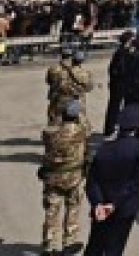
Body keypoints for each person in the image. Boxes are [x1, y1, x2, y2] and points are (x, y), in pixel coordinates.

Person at [85, 104, 139, 256]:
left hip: (101, 209)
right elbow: (134, 184)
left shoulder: (103, 149)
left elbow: (92, 181)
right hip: (123, 208)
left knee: (95, 245)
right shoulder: (138, 148)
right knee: (115, 248)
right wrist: (113, 205)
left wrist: (98, 203)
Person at [41, 100, 89, 256]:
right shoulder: (80, 131)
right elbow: (87, 126)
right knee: (72, 209)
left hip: (53, 177)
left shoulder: (50, 133)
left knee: (51, 211)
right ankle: (69, 242)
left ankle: (48, 245)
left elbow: (52, 126)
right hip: (73, 177)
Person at [103, 32, 133, 136]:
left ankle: (110, 126)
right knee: (114, 106)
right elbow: (120, 69)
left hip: (116, 83)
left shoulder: (120, 51)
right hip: (119, 84)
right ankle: (110, 128)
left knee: (114, 106)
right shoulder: (122, 52)